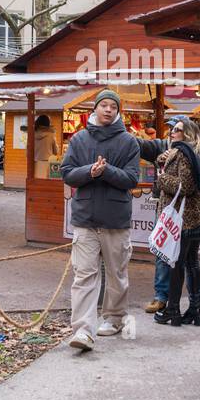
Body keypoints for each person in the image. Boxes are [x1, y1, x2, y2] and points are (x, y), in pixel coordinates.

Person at [60, 90, 142, 352]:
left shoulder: (129, 142)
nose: (108, 110)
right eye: (103, 105)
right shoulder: (79, 139)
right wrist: (89, 171)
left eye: (113, 106)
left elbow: (131, 179)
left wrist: (105, 170)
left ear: (118, 112)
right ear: (94, 109)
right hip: (85, 219)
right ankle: (83, 330)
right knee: (83, 275)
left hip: (116, 220)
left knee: (116, 273)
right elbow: (68, 174)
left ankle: (115, 318)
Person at [139, 118, 200, 324]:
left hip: (181, 216)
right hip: (184, 215)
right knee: (189, 262)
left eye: (177, 130)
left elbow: (187, 186)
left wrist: (162, 177)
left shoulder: (186, 153)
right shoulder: (176, 151)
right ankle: (194, 308)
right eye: (172, 128)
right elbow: (144, 146)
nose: (172, 132)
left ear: (188, 133)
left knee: (174, 260)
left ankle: (173, 308)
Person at [31, 113, 59, 178]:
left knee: (37, 184)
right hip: (49, 162)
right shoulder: (51, 135)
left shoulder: (31, 134)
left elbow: (27, 152)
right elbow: (56, 151)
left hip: (35, 162)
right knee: (49, 185)